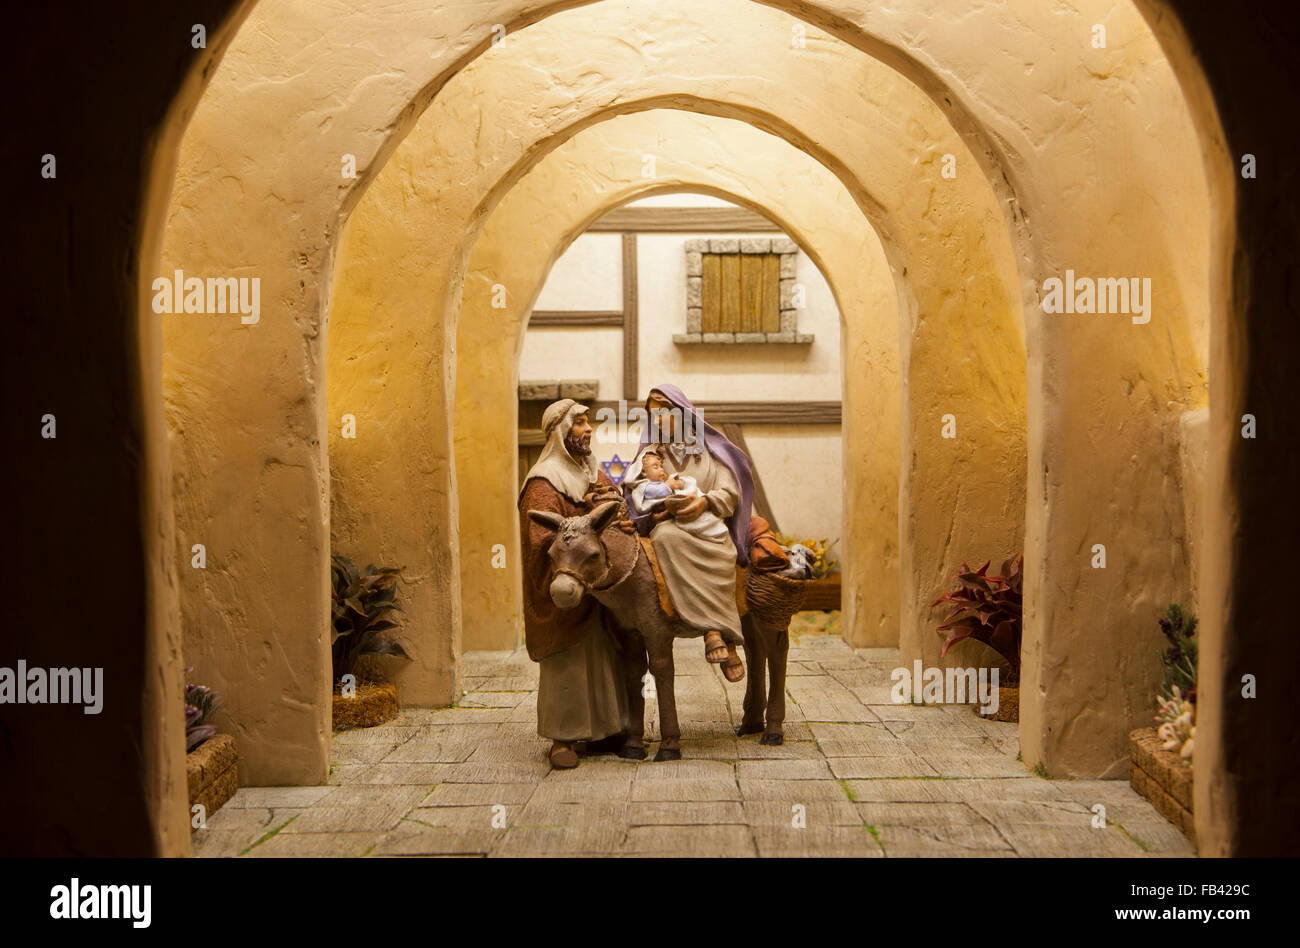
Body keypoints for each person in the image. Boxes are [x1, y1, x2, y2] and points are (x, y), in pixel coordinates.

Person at [518, 399, 630, 768]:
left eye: (588, 422)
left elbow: (615, 506)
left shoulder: (592, 470)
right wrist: (583, 522)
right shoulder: (544, 480)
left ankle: (607, 729)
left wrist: (618, 513)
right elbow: (540, 541)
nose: (588, 429)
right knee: (569, 663)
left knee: (605, 657)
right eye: (580, 423)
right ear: (561, 433)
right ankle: (563, 736)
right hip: (568, 585)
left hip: (597, 586)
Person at [623, 384, 756, 682]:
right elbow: (636, 492)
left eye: (662, 415)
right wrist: (660, 507)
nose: (656, 422)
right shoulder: (651, 457)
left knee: (725, 551)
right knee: (665, 539)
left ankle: (722, 636)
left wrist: (705, 501)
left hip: (708, 523)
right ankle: (713, 631)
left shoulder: (710, 451)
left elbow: (729, 489)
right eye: (652, 416)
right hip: (671, 526)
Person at [627, 449, 730, 543]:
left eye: (661, 467)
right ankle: (712, 532)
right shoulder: (644, 486)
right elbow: (658, 493)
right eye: (656, 467)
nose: (661, 470)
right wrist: (670, 486)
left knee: (700, 519)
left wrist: (704, 500)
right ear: (643, 472)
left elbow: (728, 491)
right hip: (667, 521)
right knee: (666, 534)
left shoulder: (711, 452)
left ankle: (715, 529)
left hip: (695, 506)